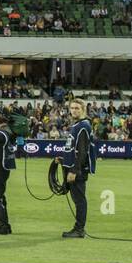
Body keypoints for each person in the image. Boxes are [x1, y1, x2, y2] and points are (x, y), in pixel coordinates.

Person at [57, 99, 96, 239]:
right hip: (73, 167)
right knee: (77, 199)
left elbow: (82, 151)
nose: (74, 110)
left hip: (77, 170)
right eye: (72, 108)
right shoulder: (77, 125)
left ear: (83, 109)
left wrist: (74, 170)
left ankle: (79, 229)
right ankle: (78, 228)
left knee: (79, 200)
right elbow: (73, 148)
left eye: (77, 108)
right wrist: (63, 159)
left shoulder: (83, 126)